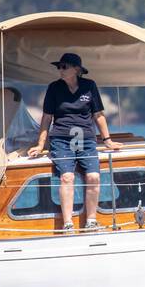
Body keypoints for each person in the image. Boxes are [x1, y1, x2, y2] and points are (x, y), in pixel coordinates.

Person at [27, 53, 121, 232]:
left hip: (85, 138)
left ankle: (91, 220)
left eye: (64, 66)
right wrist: (40, 145)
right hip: (62, 138)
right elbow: (47, 118)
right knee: (67, 177)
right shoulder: (54, 88)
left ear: (77, 69)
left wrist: (107, 140)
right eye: (59, 67)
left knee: (93, 177)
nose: (60, 70)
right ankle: (68, 223)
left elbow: (98, 114)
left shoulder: (89, 86)